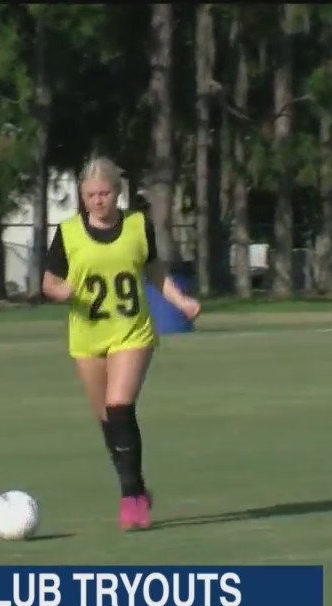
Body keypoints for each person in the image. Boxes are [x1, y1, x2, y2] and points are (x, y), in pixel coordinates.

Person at [40, 157, 201, 531]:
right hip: (87, 336)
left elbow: (154, 271)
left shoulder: (137, 226)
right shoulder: (67, 233)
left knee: (119, 406)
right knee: (107, 421)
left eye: (106, 193)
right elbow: (48, 281)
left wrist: (181, 302)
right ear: (82, 196)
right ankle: (138, 486)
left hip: (132, 331)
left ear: (118, 192)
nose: (99, 201)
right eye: (91, 195)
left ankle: (130, 499)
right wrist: (60, 290)